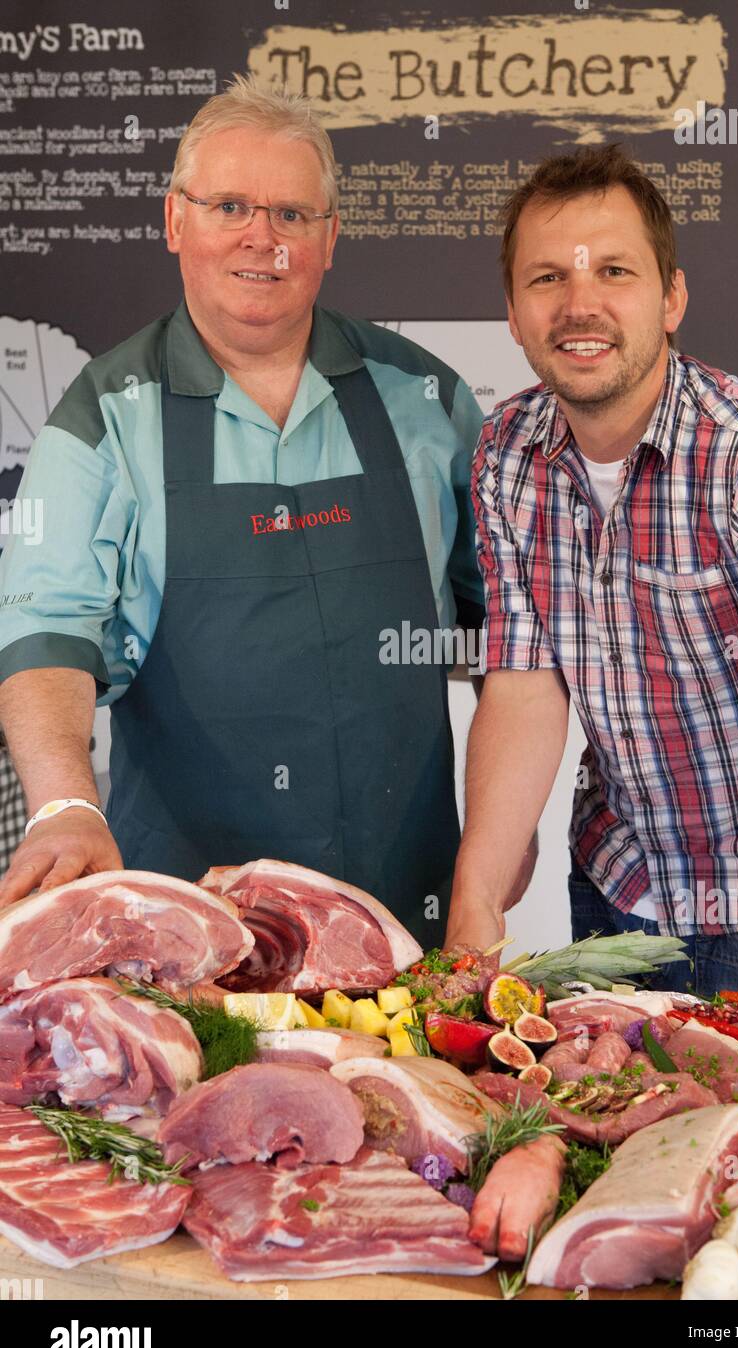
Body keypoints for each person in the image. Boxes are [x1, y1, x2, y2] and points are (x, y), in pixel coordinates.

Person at [0, 76, 522, 947]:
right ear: (175, 221)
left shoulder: (423, 400)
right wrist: (62, 801)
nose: (262, 238)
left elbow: (513, 638)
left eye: (291, 215)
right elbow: (46, 638)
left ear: (329, 239)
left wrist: (505, 827)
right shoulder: (103, 420)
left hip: (406, 919)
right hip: (185, 932)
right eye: (230, 205)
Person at [445, 144, 738, 1006]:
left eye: (614, 271)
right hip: (617, 875)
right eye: (548, 279)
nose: (580, 304)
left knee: (736, 1134)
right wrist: (476, 899)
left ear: (671, 298)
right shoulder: (507, 453)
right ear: (515, 316)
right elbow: (526, 685)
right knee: (607, 1122)